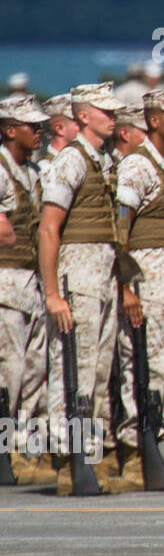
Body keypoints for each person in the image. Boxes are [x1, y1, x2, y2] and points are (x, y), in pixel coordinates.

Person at [38, 83, 132, 494]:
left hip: (103, 274)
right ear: (82, 117)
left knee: (97, 371)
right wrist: (54, 293)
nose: (113, 117)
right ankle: (66, 460)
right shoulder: (71, 161)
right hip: (78, 277)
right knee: (72, 369)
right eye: (104, 110)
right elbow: (48, 228)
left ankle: (88, 455)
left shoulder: (102, 161)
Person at [115, 86, 164, 491]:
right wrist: (128, 287)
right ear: (152, 120)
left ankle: (162, 446)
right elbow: (120, 228)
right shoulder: (136, 166)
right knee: (144, 367)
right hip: (146, 281)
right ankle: (134, 453)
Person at [0, 95, 56, 484]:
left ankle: (26, 446)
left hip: (31, 281)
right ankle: (8, 449)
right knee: (11, 370)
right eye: (30, 125)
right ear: (9, 130)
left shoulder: (34, 172)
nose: (39, 131)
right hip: (6, 282)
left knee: (36, 369)